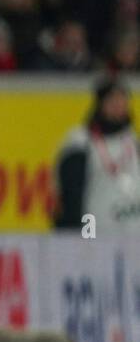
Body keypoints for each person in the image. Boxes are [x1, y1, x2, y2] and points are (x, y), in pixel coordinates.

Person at [54, 76, 140, 232]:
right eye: (112, 102)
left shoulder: (133, 142)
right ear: (100, 105)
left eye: (122, 102)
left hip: (133, 234)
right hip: (96, 232)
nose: (118, 107)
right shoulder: (81, 142)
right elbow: (70, 195)